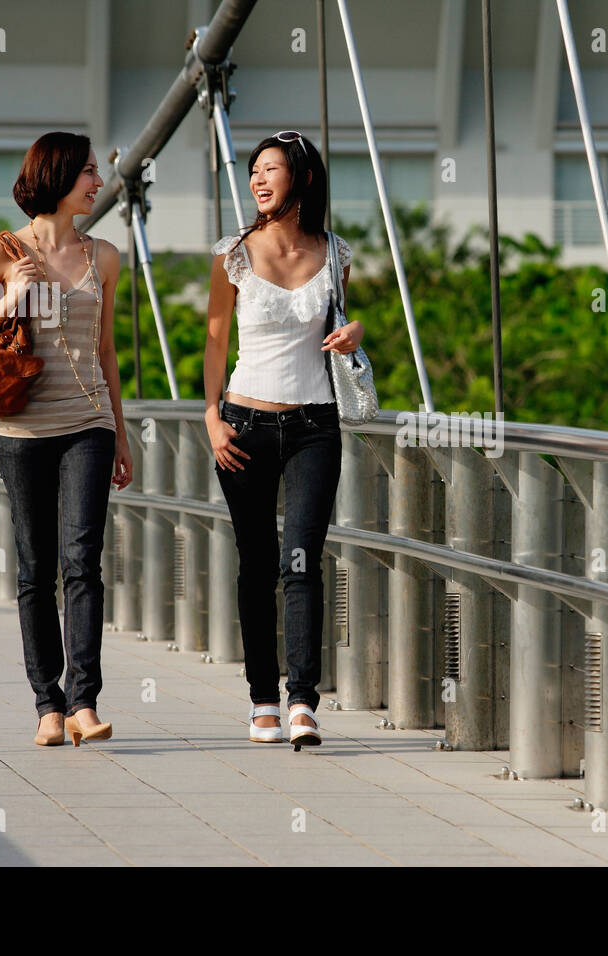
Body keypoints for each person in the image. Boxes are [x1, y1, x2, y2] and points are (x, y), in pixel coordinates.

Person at [0, 131, 133, 748]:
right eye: (87, 172)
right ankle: (46, 706)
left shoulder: (104, 256)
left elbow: (107, 351)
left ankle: (85, 701)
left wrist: (122, 433)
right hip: (23, 429)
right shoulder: (1, 254)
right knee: (36, 567)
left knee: (82, 559)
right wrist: (12, 303)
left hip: (89, 424)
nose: (97, 181)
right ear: (57, 177)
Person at [204, 131, 364, 748]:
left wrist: (354, 333)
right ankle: (261, 700)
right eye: (254, 172)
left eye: (271, 170)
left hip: (314, 426)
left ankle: (303, 702)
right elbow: (216, 342)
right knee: (257, 565)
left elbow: (345, 325)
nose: (258, 181)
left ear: (303, 178)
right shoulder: (233, 255)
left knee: (301, 560)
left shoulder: (336, 253)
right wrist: (211, 417)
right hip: (243, 422)